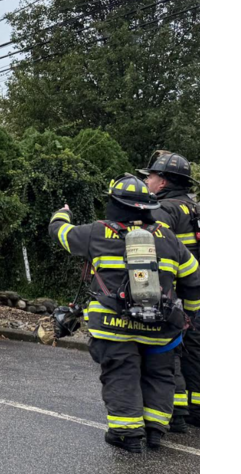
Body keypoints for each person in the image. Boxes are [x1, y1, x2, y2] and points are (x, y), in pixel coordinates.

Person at [49, 174, 199, 452]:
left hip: (112, 325)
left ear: (114, 203)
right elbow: (194, 281)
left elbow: (60, 233)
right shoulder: (167, 237)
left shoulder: (96, 231)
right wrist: (188, 318)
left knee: (121, 373)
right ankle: (155, 431)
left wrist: (62, 213)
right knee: (160, 375)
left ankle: (127, 435)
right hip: (161, 327)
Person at [140, 152, 200, 430]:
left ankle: (175, 411)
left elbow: (157, 249)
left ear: (162, 182)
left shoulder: (163, 210)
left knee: (170, 348)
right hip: (197, 289)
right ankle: (197, 407)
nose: (147, 181)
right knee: (195, 348)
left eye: (150, 176)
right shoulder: (195, 208)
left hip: (175, 291)